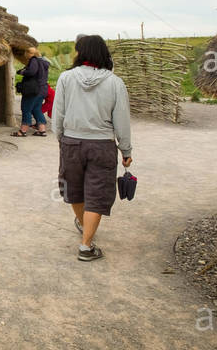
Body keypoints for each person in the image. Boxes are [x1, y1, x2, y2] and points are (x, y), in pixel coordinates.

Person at [52, 34, 132, 261]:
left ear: (81, 53)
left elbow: (58, 113)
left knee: (73, 189)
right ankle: (86, 246)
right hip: (102, 146)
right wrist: (126, 151)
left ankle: (83, 223)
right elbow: (122, 120)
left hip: (72, 143)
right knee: (97, 193)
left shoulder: (65, 78)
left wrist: (61, 139)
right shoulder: (115, 83)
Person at [12, 46, 50, 137]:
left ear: (29, 54)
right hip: (42, 89)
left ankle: (23, 131)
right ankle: (42, 130)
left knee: (26, 109)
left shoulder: (34, 60)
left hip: (33, 90)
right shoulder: (44, 62)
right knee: (36, 109)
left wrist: (22, 72)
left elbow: (31, 72)